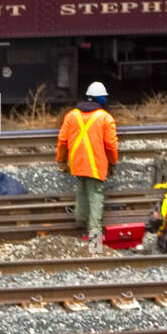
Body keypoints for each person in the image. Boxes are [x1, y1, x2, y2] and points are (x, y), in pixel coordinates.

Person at [56, 81, 119, 239]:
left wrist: (61, 161)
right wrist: (112, 163)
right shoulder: (105, 118)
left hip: (77, 163)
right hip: (96, 164)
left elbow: (62, 140)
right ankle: (94, 230)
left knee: (83, 188)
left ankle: (80, 219)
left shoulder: (71, 115)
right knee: (95, 194)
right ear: (100, 99)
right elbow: (111, 146)